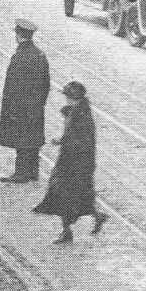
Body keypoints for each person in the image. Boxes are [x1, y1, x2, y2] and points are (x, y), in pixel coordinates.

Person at [33, 81, 108, 244]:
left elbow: (83, 142)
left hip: (77, 163)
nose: (67, 100)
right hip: (71, 160)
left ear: (75, 98)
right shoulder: (75, 112)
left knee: (66, 194)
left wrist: (66, 145)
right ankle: (90, 218)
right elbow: (72, 136)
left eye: (69, 97)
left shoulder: (83, 117)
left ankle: (69, 230)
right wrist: (61, 141)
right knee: (73, 196)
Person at [0, 19, 50, 184]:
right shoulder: (40, 55)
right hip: (35, 106)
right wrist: (40, 102)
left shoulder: (19, 57)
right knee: (33, 139)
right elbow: (46, 83)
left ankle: (20, 174)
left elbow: (12, 86)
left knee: (21, 140)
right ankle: (32, 172)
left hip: (20, 106)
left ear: (18, 35)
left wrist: (11, 108)